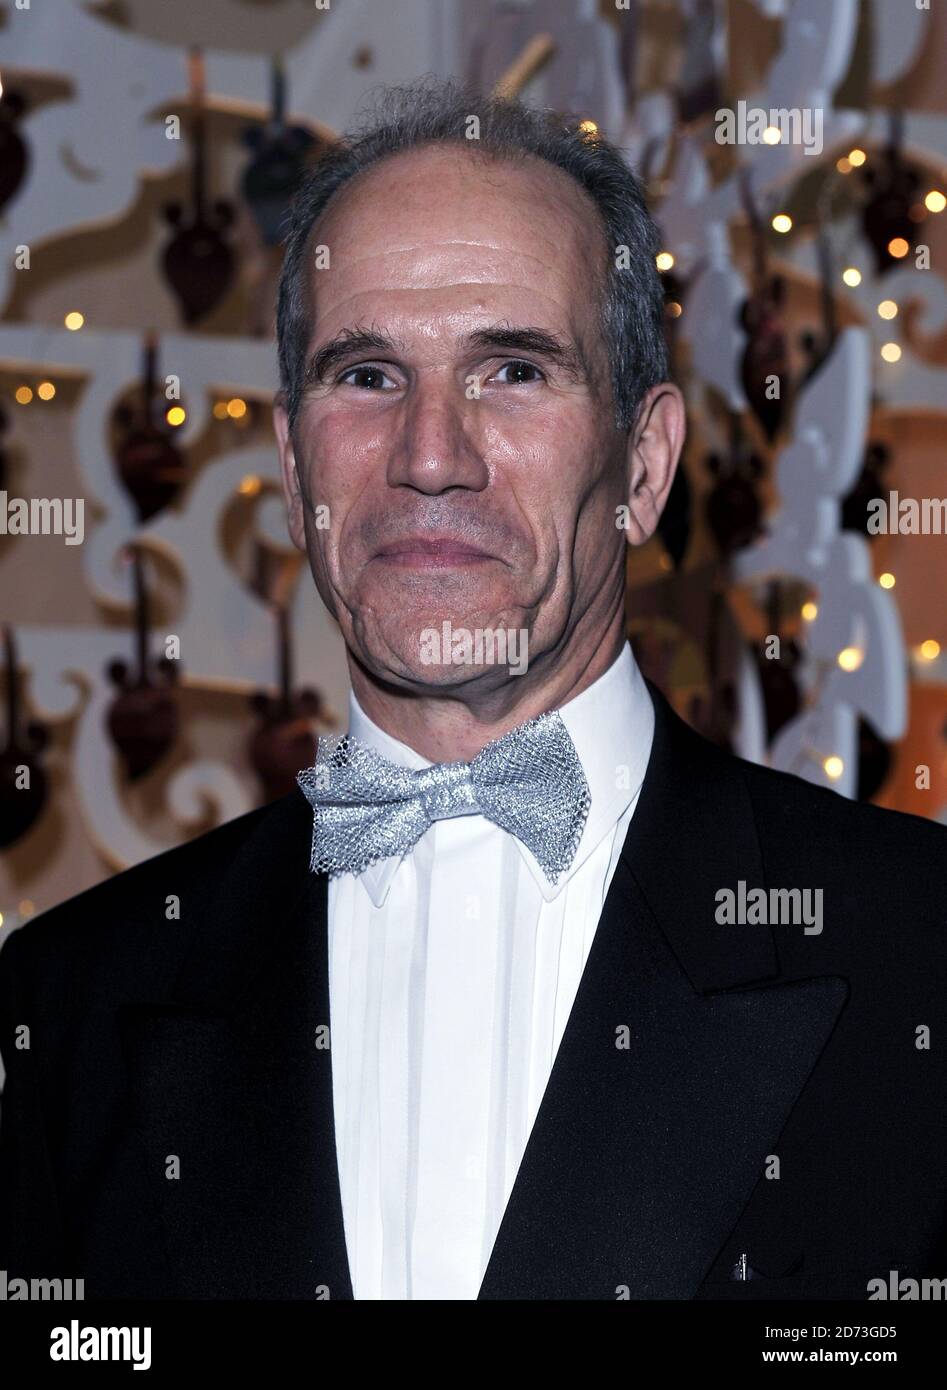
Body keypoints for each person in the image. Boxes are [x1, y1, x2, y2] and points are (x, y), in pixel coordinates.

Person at [1, 78, 945, 1302]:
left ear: (643, 466)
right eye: (367, 375)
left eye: (511, 369)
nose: (430, 455)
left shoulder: (916, 950)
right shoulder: (69, 1001)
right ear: (293, 470)